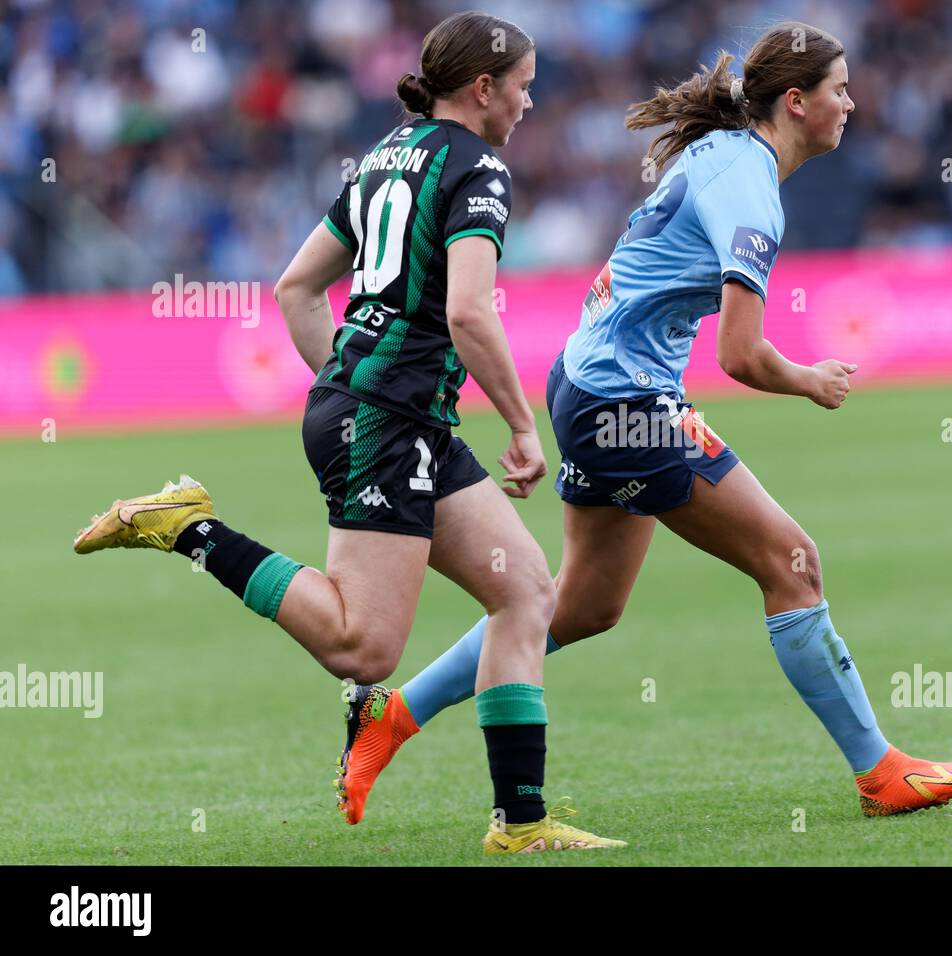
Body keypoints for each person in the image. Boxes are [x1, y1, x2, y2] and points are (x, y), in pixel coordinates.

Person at [333, 20, 952, 824]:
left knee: (580, 605)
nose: (851, 104)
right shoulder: (750, 189)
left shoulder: (724, 154)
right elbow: (743, 355)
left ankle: (390, 715)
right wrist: (809, 379)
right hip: (627, 404)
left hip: (586, 384)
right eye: (839, 89)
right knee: (793, 564)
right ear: (796, 101)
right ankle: (880, 772)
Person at [72, 11, 623, 854]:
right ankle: (189, 527)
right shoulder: (478, 168)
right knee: (362, 649)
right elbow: (470, 311)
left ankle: (522, 821)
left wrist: (353, 380)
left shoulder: (382, 157)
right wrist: (520, 423)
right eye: (522, 84)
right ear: (483, 88)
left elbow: (296, 289)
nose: (530, 99)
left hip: (397, 417)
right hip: (386, 422)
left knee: (524, 592)